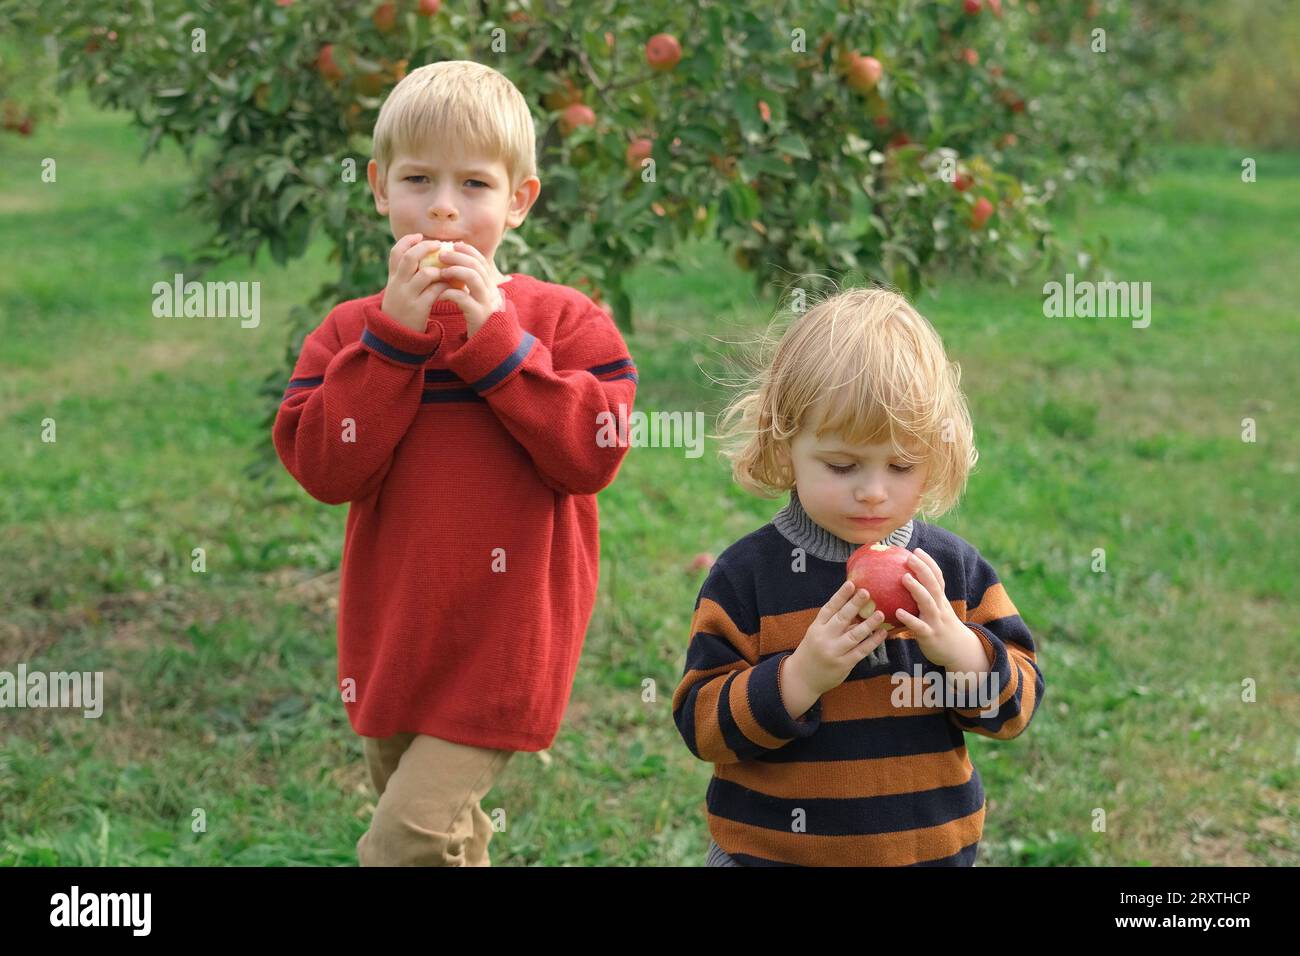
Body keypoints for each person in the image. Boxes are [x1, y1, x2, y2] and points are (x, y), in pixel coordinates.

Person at [273, 60, 638, 866]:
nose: (443, 205)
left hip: (507, 641)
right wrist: (392, 346)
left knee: (403, 843)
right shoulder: (349, 334)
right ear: (379, 188)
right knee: (446, 839)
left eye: (474, 183)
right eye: (418, 178)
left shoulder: (564, 323)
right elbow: (328, 472)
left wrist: (500, 349)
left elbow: (591, 455)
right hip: (394, 638)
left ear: (519, 200)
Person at [674, 286, 1043, 866]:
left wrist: (961, 652)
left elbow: (1016, 706)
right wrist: (798, 679)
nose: (872, 490)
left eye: (901, 465)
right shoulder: (748, 577)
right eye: (841, 465)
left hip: (924, 854)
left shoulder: (951, 574)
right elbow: (702, 726)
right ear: (784, 442)